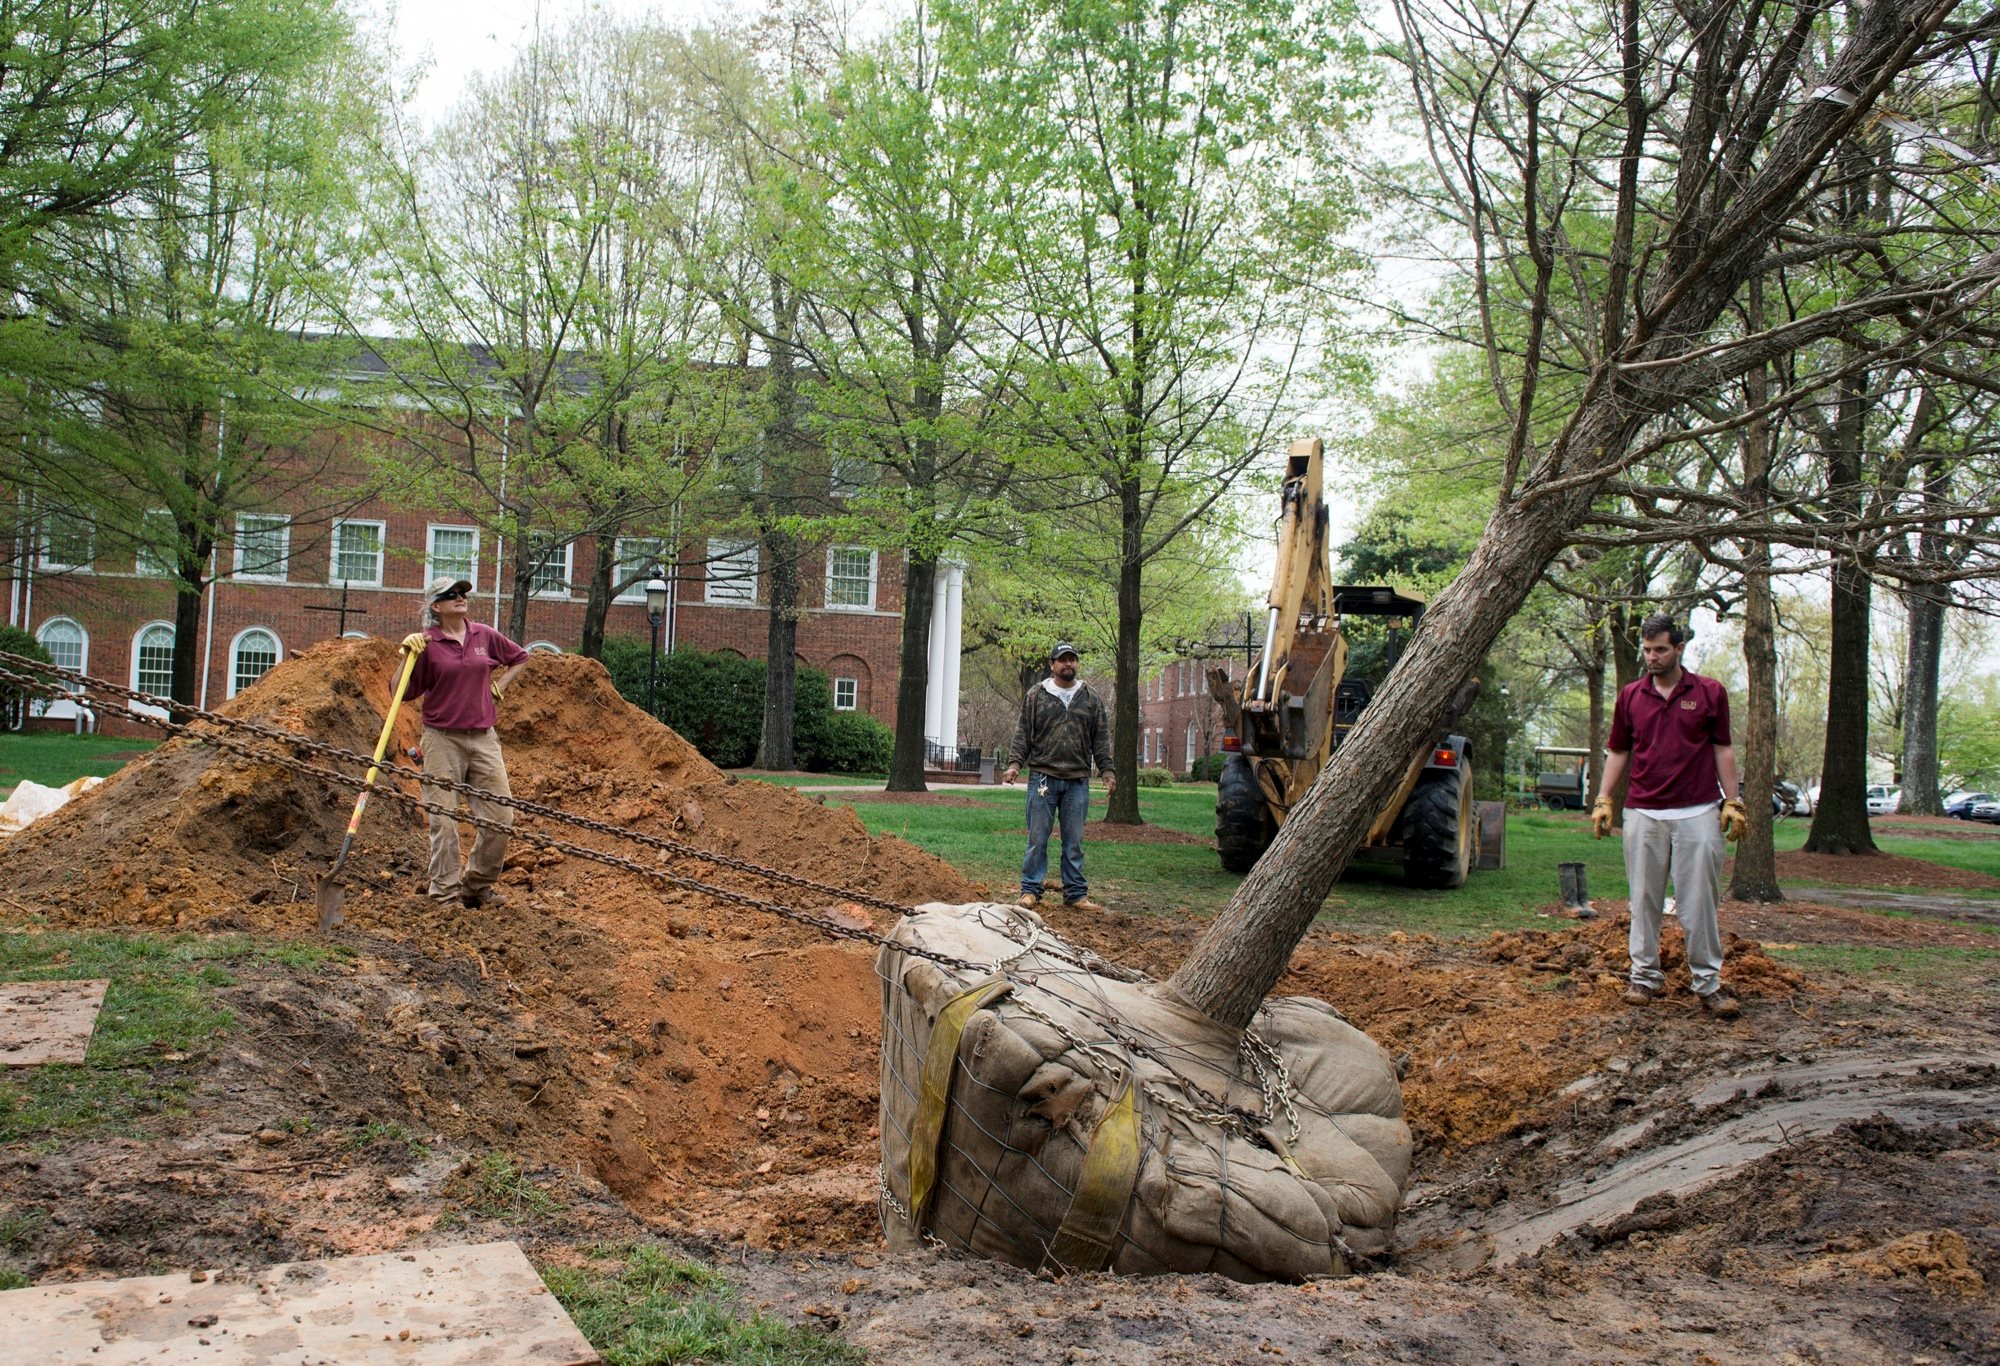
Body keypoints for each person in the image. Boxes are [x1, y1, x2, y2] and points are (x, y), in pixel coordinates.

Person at [1592, 613, 1748, 1018]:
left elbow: (1722, 748)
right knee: (1643, 897)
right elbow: (1619, 750)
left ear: (1679, 648)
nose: (1652, 657)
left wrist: (1732, 800)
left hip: (1698, 810)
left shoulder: (1710, 693)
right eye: (1646, 650)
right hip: (1643, 810)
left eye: (1660, 649)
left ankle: (1708, 984)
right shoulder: (1630, 696)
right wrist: (1604, 798)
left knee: (1698, 902)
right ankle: (1643, 978)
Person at [400, 577, 530, 909]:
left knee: (501, 818)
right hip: (442, 740)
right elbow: (398, 692)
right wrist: (406, 655)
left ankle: (477, 886)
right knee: (444, 820)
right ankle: (444, 894)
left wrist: (500, 685)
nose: (460, 598)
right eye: (451, 595)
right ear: (436, 606)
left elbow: (520, 657)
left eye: (463, 594)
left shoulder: (483, 635)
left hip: (484, 738)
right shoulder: (426, 644)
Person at [1003, 642, 1115, 914]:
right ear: (1052, 665)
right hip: (1043, 778)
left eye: (1072, 660)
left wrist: (1107, 771)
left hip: (1077, 781)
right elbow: (1023, 734)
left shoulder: (1090, 697)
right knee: (1037, 838)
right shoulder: (1036, 695)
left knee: (1074, 840)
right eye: (1062, 660)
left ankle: (1075, 894)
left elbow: (1100, 739)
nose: (1068, 664)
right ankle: (1030, 890)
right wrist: (1015, 764)